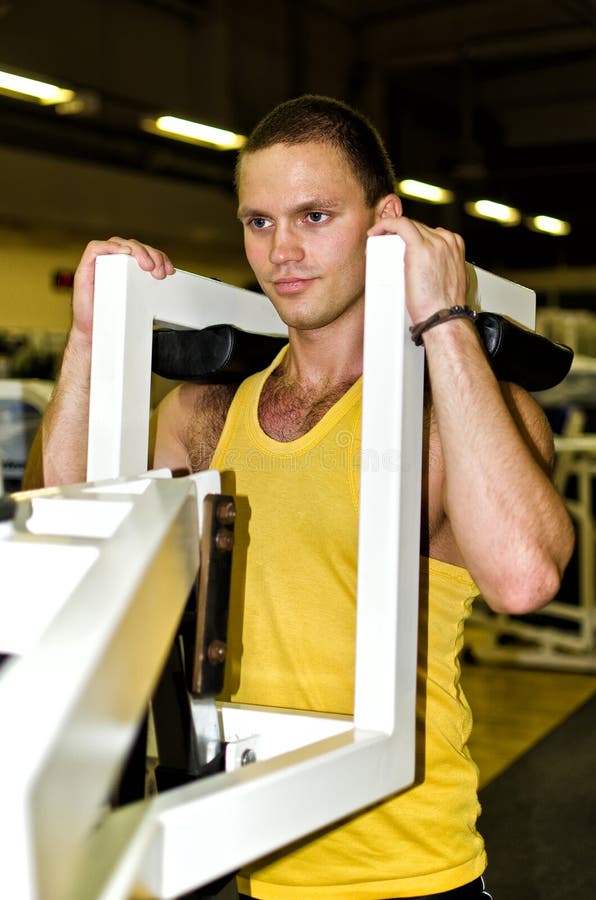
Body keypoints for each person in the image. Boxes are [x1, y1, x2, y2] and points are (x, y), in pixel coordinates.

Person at [24, 95, 574, 899]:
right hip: (251, 861)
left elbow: (525, 578)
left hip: (414, 874)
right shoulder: (208, 413)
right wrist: (88, 338)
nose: (282, 250)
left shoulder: (448, 413)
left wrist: (445, 317)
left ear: (385, 220)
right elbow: (62, 539)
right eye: (259, 222)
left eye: (314, 216)